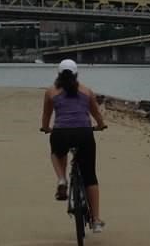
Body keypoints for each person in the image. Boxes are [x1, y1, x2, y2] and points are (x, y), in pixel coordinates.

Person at [40, 58, 107, 232]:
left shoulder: (51, 92)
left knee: (57, 152)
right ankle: (96, 220)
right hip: (84, 134)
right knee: (90, 176)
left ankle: (62, 179)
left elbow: (46, 117)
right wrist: (100, 126)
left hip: (61, 133)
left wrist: (46, 128)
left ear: (58, 74)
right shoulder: (86, 91)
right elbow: (97, 115)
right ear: (76, 74)